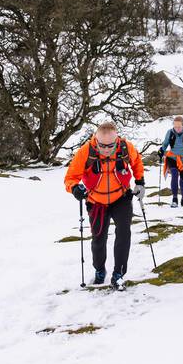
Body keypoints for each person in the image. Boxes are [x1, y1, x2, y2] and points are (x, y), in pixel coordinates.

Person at [64, 121, 146, 290]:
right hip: (96, 201)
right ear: (96, 140)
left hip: (121, 197)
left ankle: (119, 274)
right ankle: (100, 270)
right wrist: (74, 189)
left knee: (124, 234)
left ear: (117, 140)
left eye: (111, 145)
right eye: (103, 145)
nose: (107, 149)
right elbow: (70, 177)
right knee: (98, 239)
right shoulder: (86, 151)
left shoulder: (125, 147)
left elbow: (137, 162)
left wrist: (140, 182)